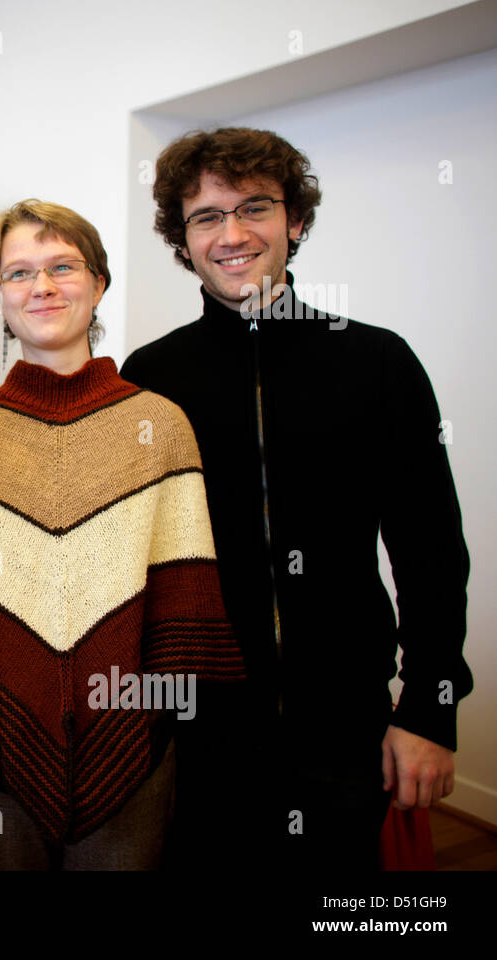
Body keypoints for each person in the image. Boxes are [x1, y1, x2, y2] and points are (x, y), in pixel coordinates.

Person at [120, 127, 472, 870]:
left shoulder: (378, 361)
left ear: (297, 220)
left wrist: (430, 708)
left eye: (255, 207)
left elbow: (431, 551)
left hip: (344, 721)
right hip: (200, 725)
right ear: (183, 241)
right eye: (207, 217)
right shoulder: (151, 377)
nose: (232, 234)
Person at [0, 200, 244, 869]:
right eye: (20, 272)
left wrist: (146, 724)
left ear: (99, 283)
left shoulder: (160, 426)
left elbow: (183, 598)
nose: (43, 286)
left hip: (133, 741)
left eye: (63, 266)